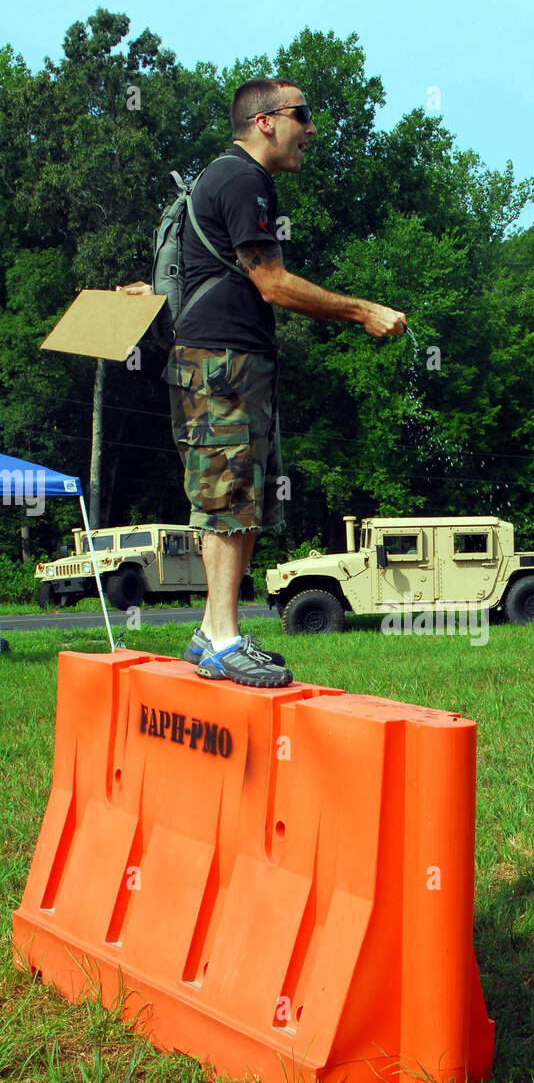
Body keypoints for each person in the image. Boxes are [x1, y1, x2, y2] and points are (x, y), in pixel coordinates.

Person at [119, 77, 406, 686]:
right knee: (225, 501)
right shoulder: (242, 179)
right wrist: (362, 311)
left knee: (241, 501)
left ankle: (209, 632)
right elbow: (271, 282)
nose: (312, 129)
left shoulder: (229, 179)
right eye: (303, 115)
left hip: (230, 364)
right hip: (218, 366)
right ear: (266, 121)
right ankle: (224, 640)